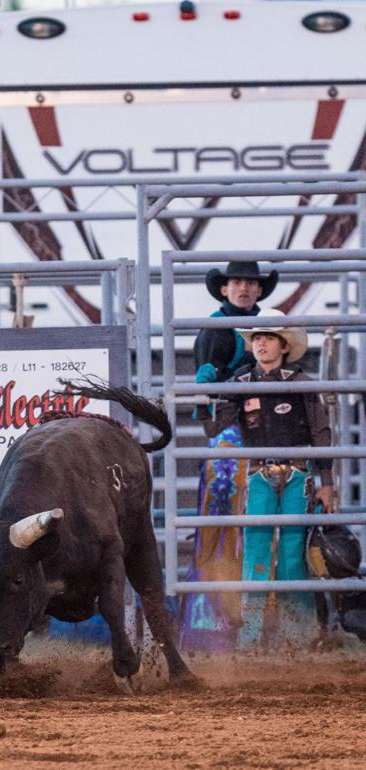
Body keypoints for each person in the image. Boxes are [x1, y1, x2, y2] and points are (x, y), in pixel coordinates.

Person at [203, 309, 335, 650]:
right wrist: (205, 399)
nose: (261, 344)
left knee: (292, 553)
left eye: (268, 338)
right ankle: (250, 638)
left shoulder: (303, 385)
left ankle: (297, 637)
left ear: (283, 345)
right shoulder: (240, 384)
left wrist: (326, 482)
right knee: (257, 553)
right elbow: (215, 429)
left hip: (296, 474)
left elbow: (321, 432)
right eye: (257, 339)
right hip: (261, 474)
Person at [180, 261, 277, 650]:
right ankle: (221, 616)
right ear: (225, 289)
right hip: (232, 433)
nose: (243, 289)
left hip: (259, 430)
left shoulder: (259, 324)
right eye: (237, 282)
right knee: (226, 509)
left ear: (258, 291)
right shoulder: (217, 329)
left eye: (250, 283)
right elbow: (206, 386)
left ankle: (247, 615)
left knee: (249, 518)